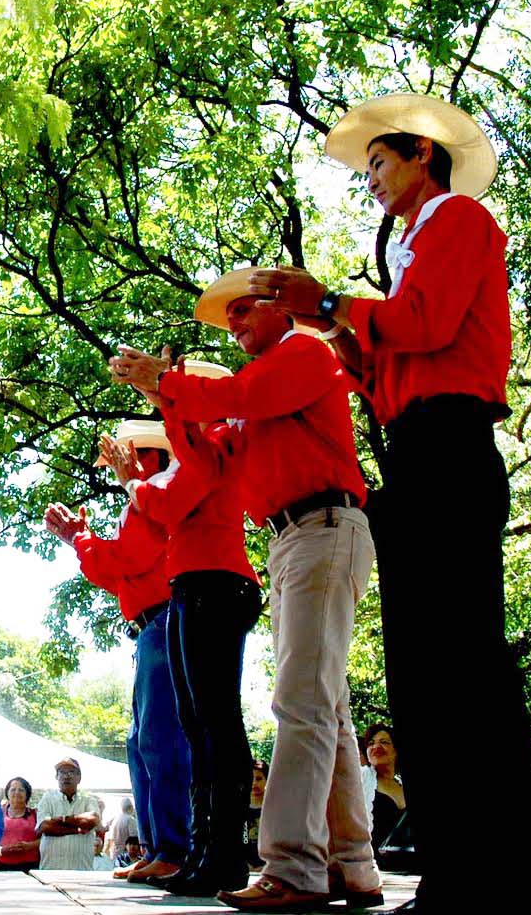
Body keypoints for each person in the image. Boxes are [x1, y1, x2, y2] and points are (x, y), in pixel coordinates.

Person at [251, 93, 531, 915]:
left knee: (462, 664)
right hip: (422, 455)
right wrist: (348, 342)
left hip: (452, 450)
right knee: (425, 670)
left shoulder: (459, 219)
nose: (373, 181)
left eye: (381, 163)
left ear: (424, 153)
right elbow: (394, 367)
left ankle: (504, 875)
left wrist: (326, 307)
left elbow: (422, 325)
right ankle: (461, 873)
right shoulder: (419, 245)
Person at [112, 266, 382, 913]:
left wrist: (168, 385)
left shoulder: (301, 355)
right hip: (296, 537)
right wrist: (167, 401)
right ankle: (352, 864)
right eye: (226, 315)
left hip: (322, 525)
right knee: (327, 707)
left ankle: (293, 866)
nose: (232, 323)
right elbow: (205, 459)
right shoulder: (255, 391)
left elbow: (234, 401)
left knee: (301, 703)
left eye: (243, 309)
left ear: (280, 309)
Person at [99, 359, 261, 898]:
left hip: (217, 584)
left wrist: (132, 485)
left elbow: (168, 506)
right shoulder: (196, 447)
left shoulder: (214, 442)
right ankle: (204, 850)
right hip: (195, 586)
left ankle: (220, 853)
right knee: (198, 724)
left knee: (212, 723)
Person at [46, 421, 190, 886]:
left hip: (162, 622)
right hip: (152, 625)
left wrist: (80, 540)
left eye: (118, 455)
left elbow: (121, 563)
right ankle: (160, 847)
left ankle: (173, 847)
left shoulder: (151, 495)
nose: (110, 466)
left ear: (146, 456)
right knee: (141, 740)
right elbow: (118, 573)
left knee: (158, 737)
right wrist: (85, 542)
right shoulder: (142, 500)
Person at [36, 757, 102, 871]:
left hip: (82, 871)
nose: (67, 776)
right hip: (51, 870)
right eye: (62, 772)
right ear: (56, 777)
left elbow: (92, 820)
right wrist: (77, 829)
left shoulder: (89, 800)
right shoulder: (47, 799)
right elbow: (45, 826)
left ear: (79, 778)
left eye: (72, 772)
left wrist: (60, 821)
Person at [363, 724, 407, 855]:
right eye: (371, 743)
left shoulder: (401, 784)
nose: (376, 747)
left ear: (396, 750)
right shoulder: (360, 778)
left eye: (384, 742)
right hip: (373, 864)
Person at [0, 777, 39, 872]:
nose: (17, 792)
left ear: (27, 794)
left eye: (21, 790)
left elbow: (45, 840)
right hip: (3, 866)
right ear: (7, 793)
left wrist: (30, 845)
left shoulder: (35, 814)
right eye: (13, 789)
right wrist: (2, 850)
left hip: (31, 867)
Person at [246, 761, 267, 872]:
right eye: (250, 778)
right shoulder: (240, 809)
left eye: (259, 779)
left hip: (267, 868)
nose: (254, 783)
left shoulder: (272, 808)